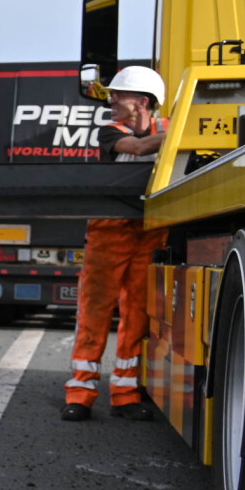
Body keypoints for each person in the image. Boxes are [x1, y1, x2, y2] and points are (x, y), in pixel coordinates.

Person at [63, 65, 169, 422]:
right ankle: (80, 392)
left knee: (139, 314)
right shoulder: (110, 131)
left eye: (118, 95)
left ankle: (125, 394)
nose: (110, 100)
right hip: (108, 232)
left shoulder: (167, 127)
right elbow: (138, 149)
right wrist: (182, 135)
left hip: (151, 230)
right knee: (95, 311)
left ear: (142, 101)